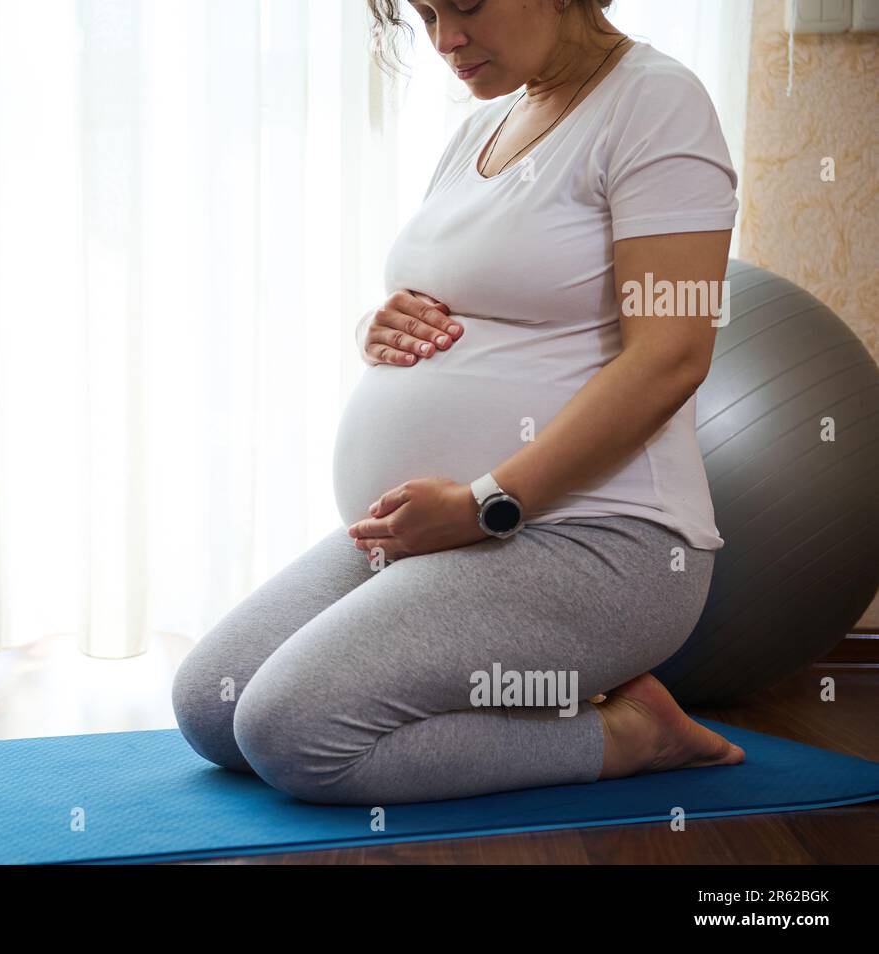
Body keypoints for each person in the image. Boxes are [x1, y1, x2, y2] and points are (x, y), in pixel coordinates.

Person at [171, 0, 746, 805]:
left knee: (291, 733)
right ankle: (547, 691)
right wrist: (380, 325)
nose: (445, 40)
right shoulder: (488, 124)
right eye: (427, 12)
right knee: (212, 704)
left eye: (466, 5)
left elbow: (672, 356)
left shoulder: (654, 102)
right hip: (438, 535)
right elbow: (470, 300)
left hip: (598, 541)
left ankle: (624, 734)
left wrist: (486, 504)